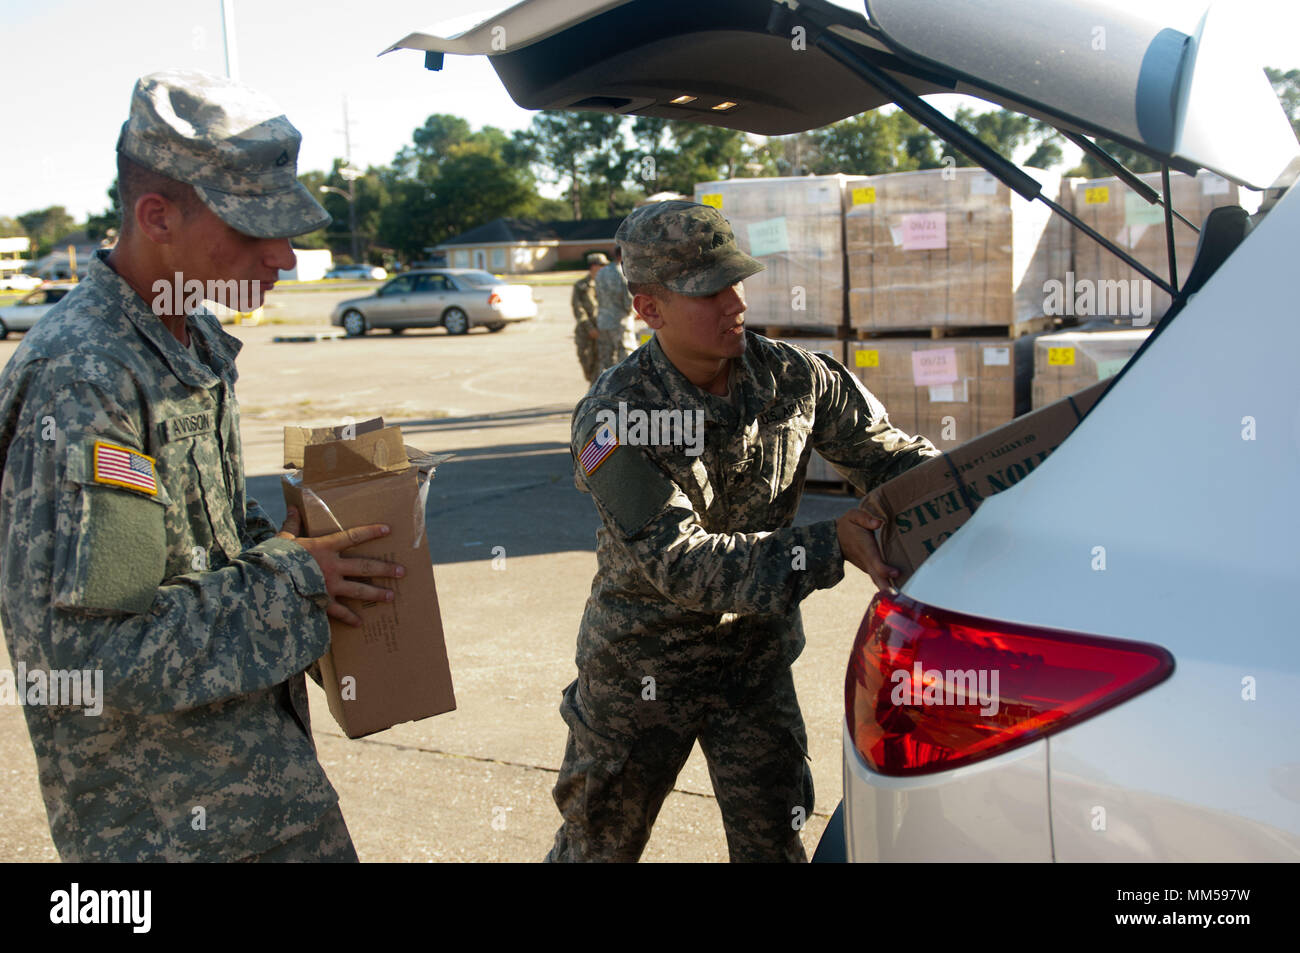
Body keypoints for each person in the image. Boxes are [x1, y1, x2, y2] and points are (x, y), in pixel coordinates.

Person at [0, 69, 405, 862]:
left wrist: (290, 543)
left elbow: (192, 560)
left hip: (259, 794)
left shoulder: (189, 343)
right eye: (256, 229)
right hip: (169, 828)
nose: (284, 256)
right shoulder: (87, 378)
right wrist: (294, 581)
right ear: (157, 216)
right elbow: (89, 657)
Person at [547, 200, 939, 862]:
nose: (734, 301)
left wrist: (967, 488)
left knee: (774, 846)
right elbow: (682, 564)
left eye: (734, 279)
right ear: (648, 309)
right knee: (596, 848)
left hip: (751, 666)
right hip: (639, 673)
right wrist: (829, 543)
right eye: (706, 289)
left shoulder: (794, 377)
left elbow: (890, 458)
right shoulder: (616, 417)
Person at [594, 245, 637, 372]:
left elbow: (597, 295)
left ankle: (606, 390)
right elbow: (629, 301)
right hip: (620, 322)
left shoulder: (601, 273)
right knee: (627, 360)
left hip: (603, 321)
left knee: (606, 361)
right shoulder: (623, 273)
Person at [571, 252, 607, 383]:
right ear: (593, 266)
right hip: (585, 331)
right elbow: (578, 308)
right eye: (601, 265)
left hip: (603, 330)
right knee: (586, 361)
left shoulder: (606, 284)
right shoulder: (581, 286)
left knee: (600, 365)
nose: (603, 268)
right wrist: (590, 328)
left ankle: (595, 391)